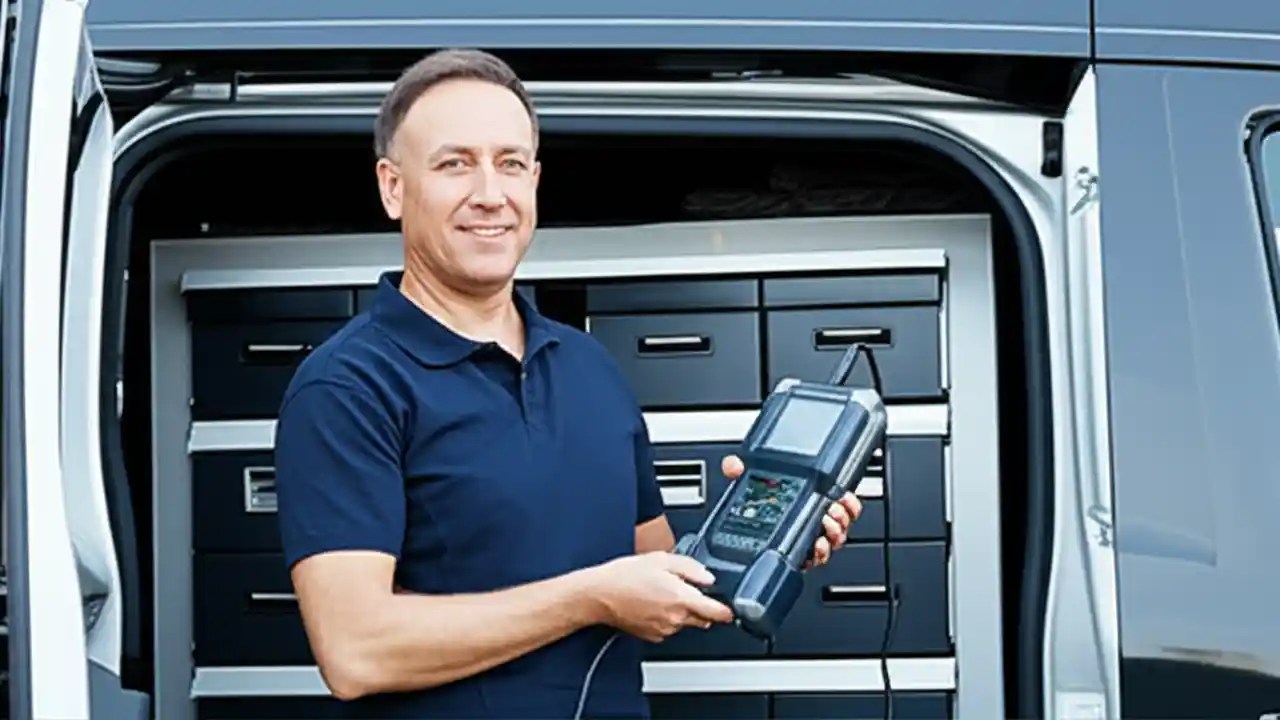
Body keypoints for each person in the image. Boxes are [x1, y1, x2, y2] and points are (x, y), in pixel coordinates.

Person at [272, 48, 864, 719]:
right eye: (454, 163)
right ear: (393, 187)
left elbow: (659, 574)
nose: (489, 193)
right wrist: (590, 599)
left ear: (535, 180)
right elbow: (356, 653)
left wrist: (773, 542)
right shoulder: (347, 388)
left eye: (510, 163)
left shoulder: (589, 367)